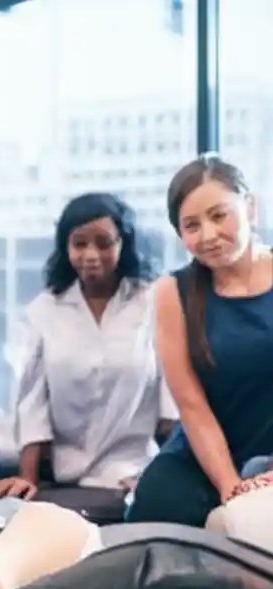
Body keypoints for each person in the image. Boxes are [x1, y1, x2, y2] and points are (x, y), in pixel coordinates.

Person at [0, 193, 176, 502]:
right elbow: (32, 403)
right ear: (66, 247)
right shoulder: (44, 310)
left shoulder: (153, 303)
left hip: (135, 473)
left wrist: (162, 478)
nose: (91, 254)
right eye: (79, 243)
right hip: (67, 476)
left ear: (124, 244)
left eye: (104, 243)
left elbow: (171, 404)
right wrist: (28, 478)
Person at [126, 154, 273, 527]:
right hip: (203, 459)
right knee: (155, 510)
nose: (207, 235)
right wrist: (231, 489)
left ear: (250, 208)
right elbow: (191, 405)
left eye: (219, 215)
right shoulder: (173, 292)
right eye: (191, 226)